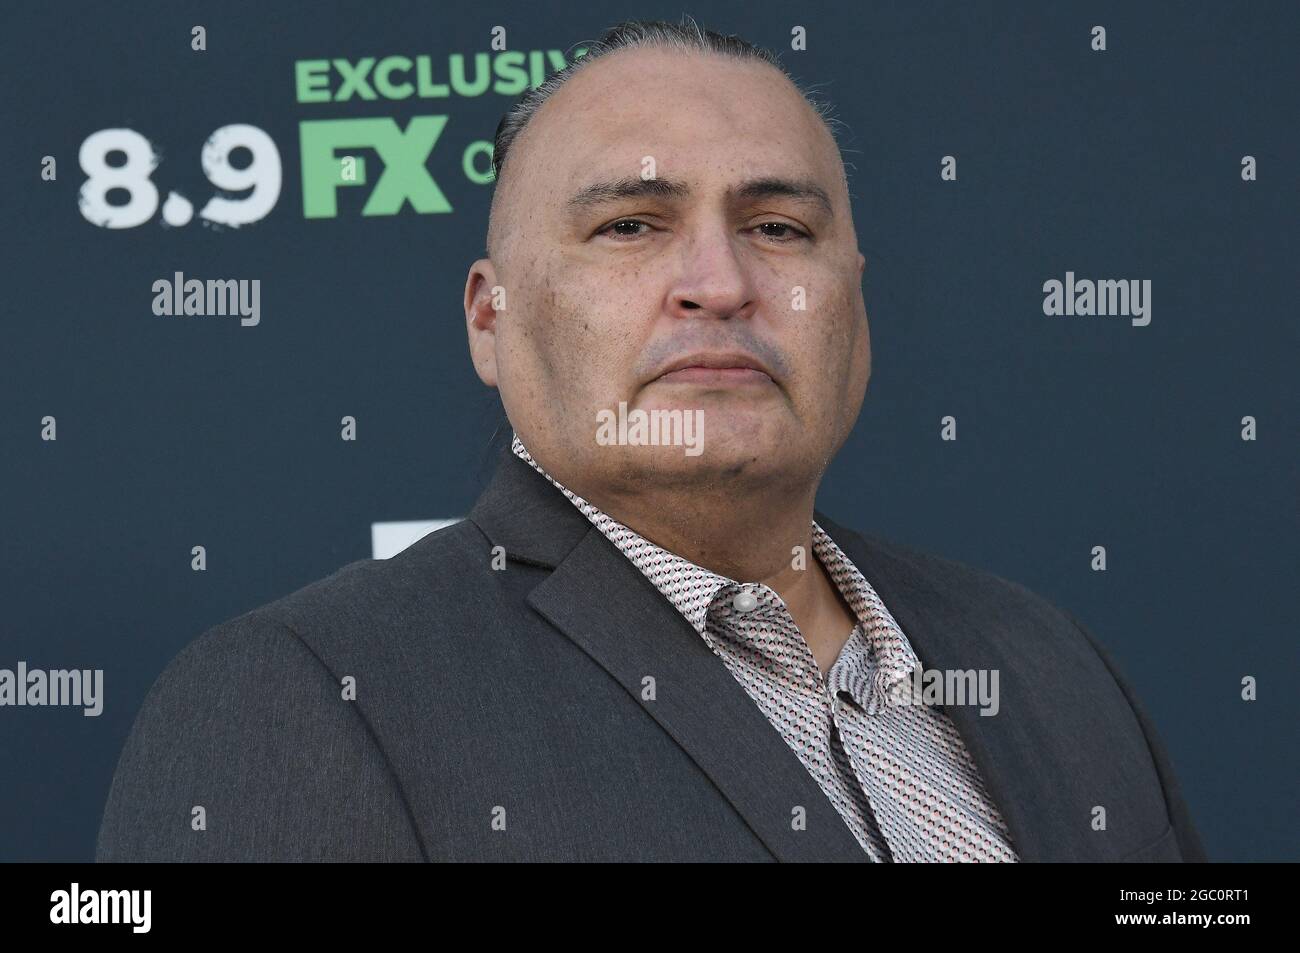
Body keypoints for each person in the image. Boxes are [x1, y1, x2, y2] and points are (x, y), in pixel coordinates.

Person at [96, 18, 1205, 862]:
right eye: (630, 226)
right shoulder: (296, 699)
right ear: (490, 319)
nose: (721, 282)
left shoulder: (1047, 658)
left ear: (855, 305)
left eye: (778, 227)